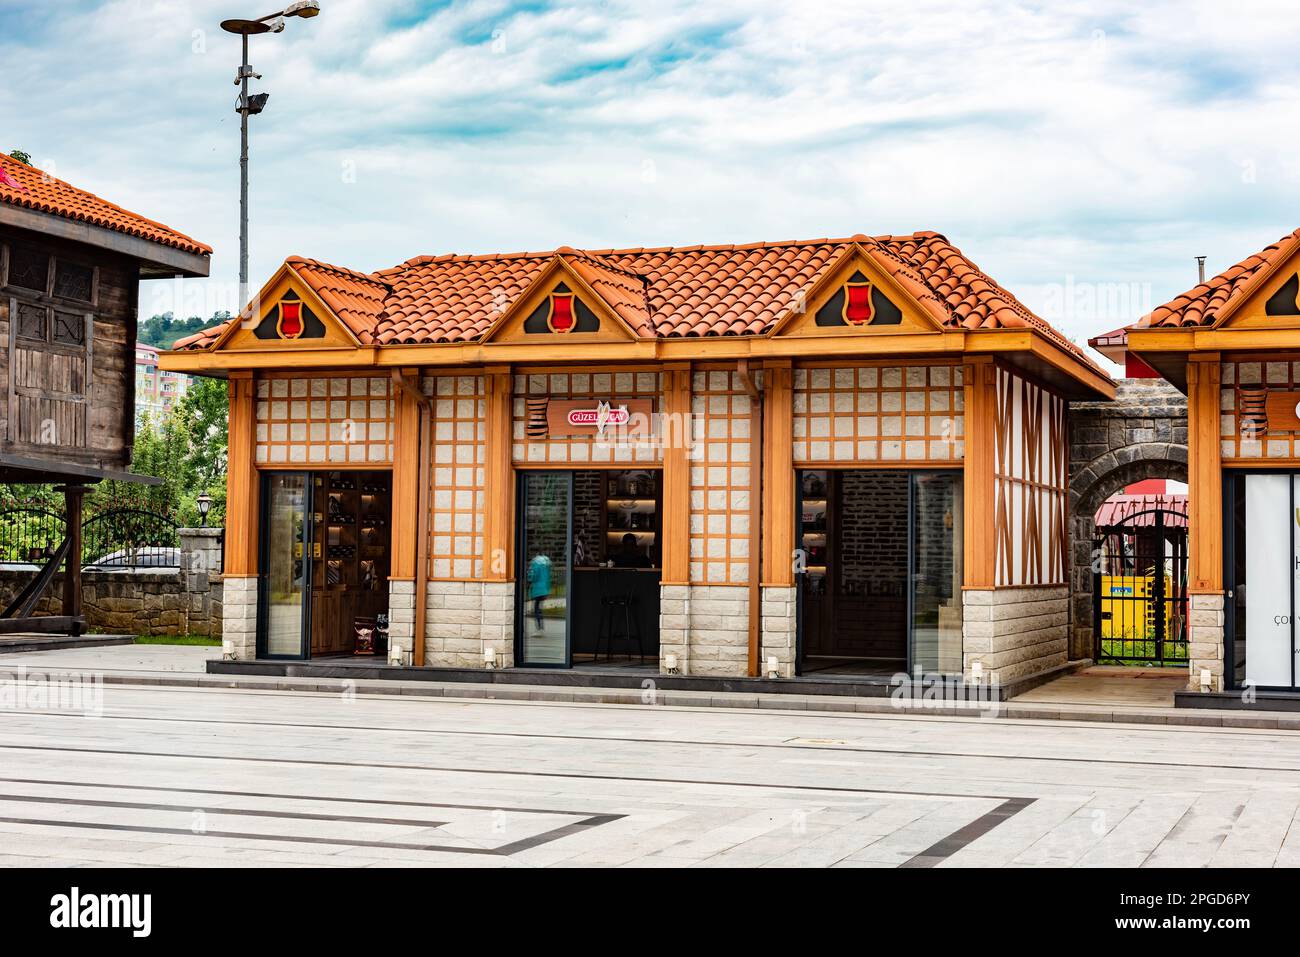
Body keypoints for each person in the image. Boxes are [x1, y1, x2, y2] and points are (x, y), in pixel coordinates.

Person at [527, 552, 552, 630]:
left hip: (537, 589)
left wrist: (529, 577)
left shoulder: (535, 563)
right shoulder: (546, 563)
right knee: (538, 607)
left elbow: (533, 576)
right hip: (545, 589)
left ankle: (539, 628)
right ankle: (541, 626)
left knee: (536, 608)